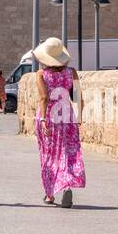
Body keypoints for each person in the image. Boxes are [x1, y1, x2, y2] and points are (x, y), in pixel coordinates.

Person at [32, 37, 86, 208]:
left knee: (49, 155)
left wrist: (42, 120)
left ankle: (49, 194)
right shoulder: (72, 72)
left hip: (49, 117)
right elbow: (77, 97)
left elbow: (43, 98)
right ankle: (67, 186)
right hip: (67, 118)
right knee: (68, 153)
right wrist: (78, 117)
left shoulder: (41, 74)